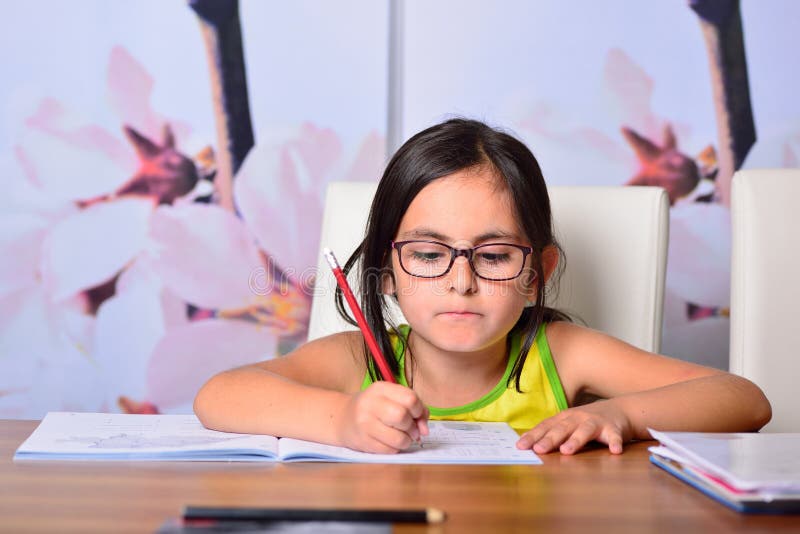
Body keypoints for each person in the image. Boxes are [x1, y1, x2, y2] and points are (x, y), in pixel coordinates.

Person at [194, 118, 771, 455]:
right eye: (427, 254)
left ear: (536, 274)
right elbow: (217, 396)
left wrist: (618, 417)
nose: (461, 282)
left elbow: (744, 399)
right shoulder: (357, 361)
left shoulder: (562, 354)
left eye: (494, 256)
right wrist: (345, 421)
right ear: (387, 270)